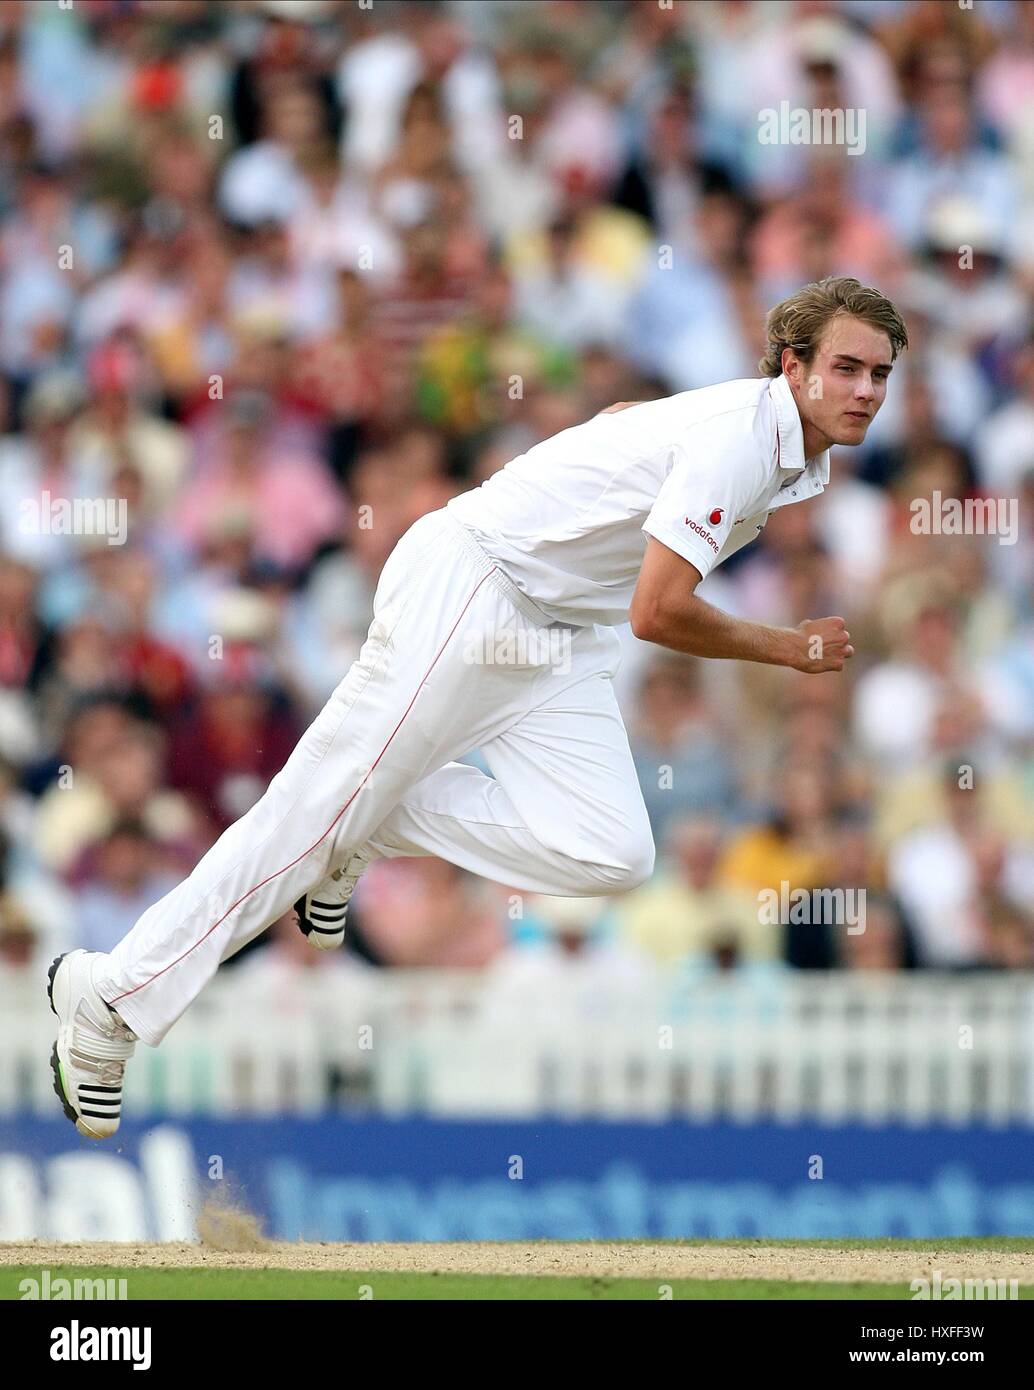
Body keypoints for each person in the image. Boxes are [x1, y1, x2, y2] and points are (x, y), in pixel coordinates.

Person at [48, 275, 908, 1138]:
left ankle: (375, 820)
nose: (866, 391)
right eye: (846, 368)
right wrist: (788, 646)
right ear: (793, 367)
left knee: (608, 851)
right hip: (479, 587)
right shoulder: (742, 438)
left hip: (559, 634)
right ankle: (110, 997)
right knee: (303, 819)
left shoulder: (780, 442)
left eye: (880, 373)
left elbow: (619, 421)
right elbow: (658, 612)